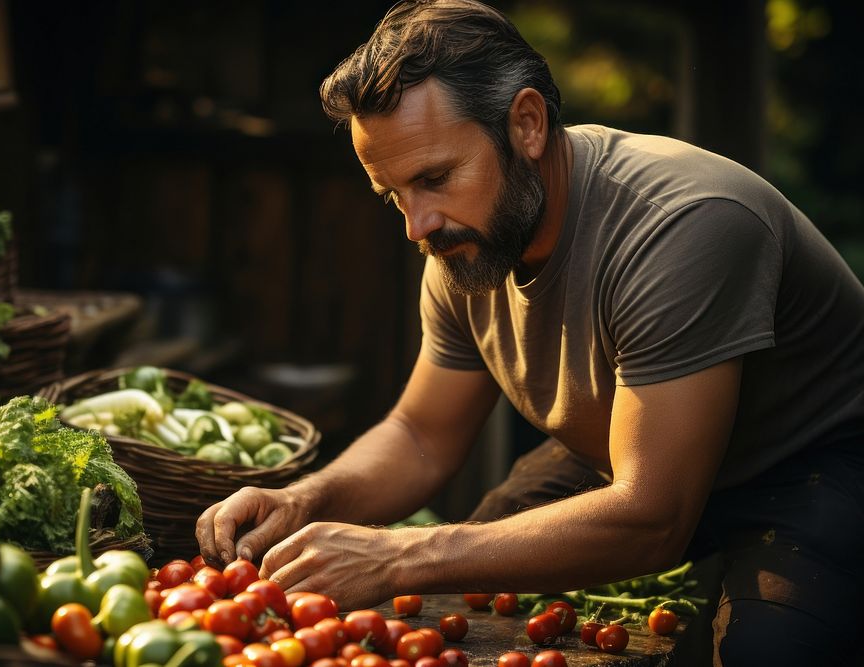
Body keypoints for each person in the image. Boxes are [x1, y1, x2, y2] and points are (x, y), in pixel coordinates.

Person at [196, 1, 864, 663]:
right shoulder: (463, 243)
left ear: (527, 124)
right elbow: (422, 436)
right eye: (394, 194)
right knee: (464, 597)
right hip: (625, 444)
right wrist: (304, 498)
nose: (416, 226)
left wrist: (400, 552)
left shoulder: (684, 223)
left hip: (816, 461)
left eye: (433, 178)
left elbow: (653, 516)